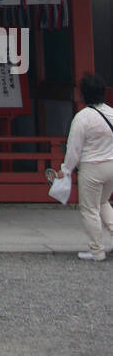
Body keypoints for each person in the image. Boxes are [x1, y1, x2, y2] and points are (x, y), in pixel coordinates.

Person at [56, 73, 113, 260]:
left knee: (90, 209)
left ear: (84, 94)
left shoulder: (82, 118)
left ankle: (97, 251)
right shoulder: (111, 113)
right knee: (104, 203)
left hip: (91, 167)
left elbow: (74, 148)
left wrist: (65, 170)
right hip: (111, 164)